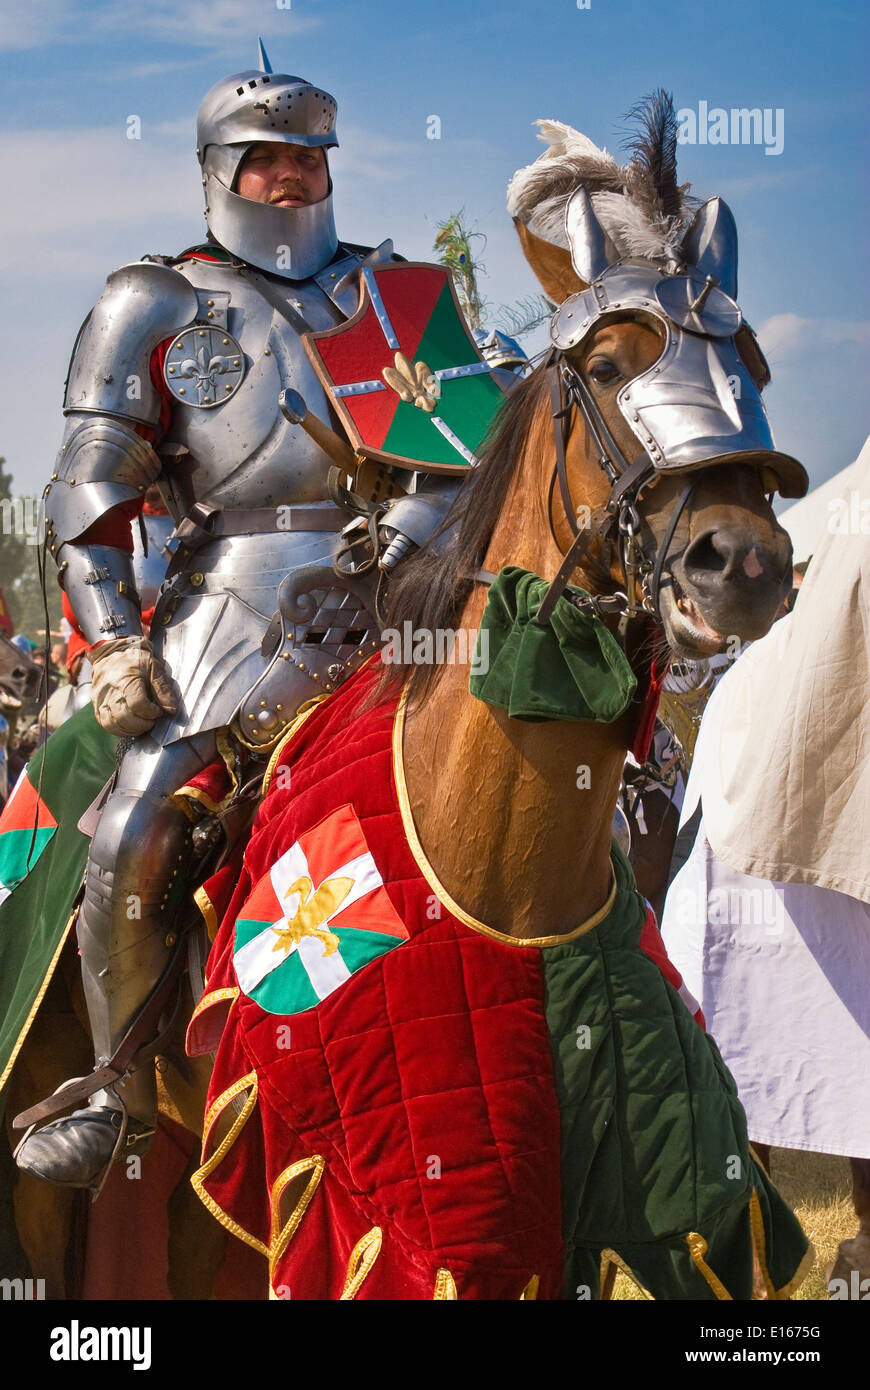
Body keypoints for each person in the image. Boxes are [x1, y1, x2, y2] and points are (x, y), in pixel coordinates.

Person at [17, 43, 453, 1188]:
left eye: (309, 158)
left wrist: (403, 539)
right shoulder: (154, 300)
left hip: (403, 601)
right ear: (219, 169)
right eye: (265, 160)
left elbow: (466, 460)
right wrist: (111, 641)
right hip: (229, 611)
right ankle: (118, 1086)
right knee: (133, 826)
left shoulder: (397, 292)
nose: (292, 178)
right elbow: (88, 485)